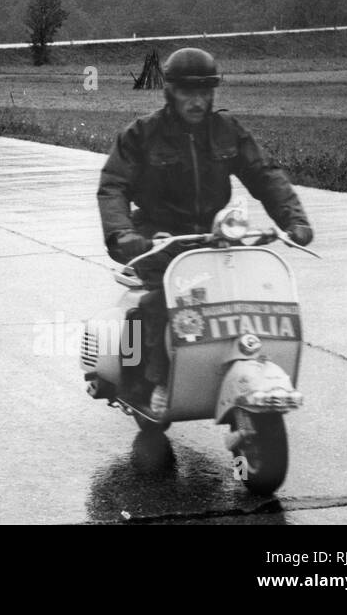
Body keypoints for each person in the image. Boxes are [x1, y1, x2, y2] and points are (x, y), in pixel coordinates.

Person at [96, 47, 313, 415]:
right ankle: (145, 382)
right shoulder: (142, 133)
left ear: (213, 93)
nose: (197, 101)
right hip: (158, 235)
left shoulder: (227, 130)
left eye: (204, 92)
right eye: (187, 92)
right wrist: (124, 236)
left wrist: (294, 220)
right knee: (156, 303)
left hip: (213, 234)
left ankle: (226, 367)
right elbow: (113, 186)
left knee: (243, 295)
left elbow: (265, 174)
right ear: (170, 92)